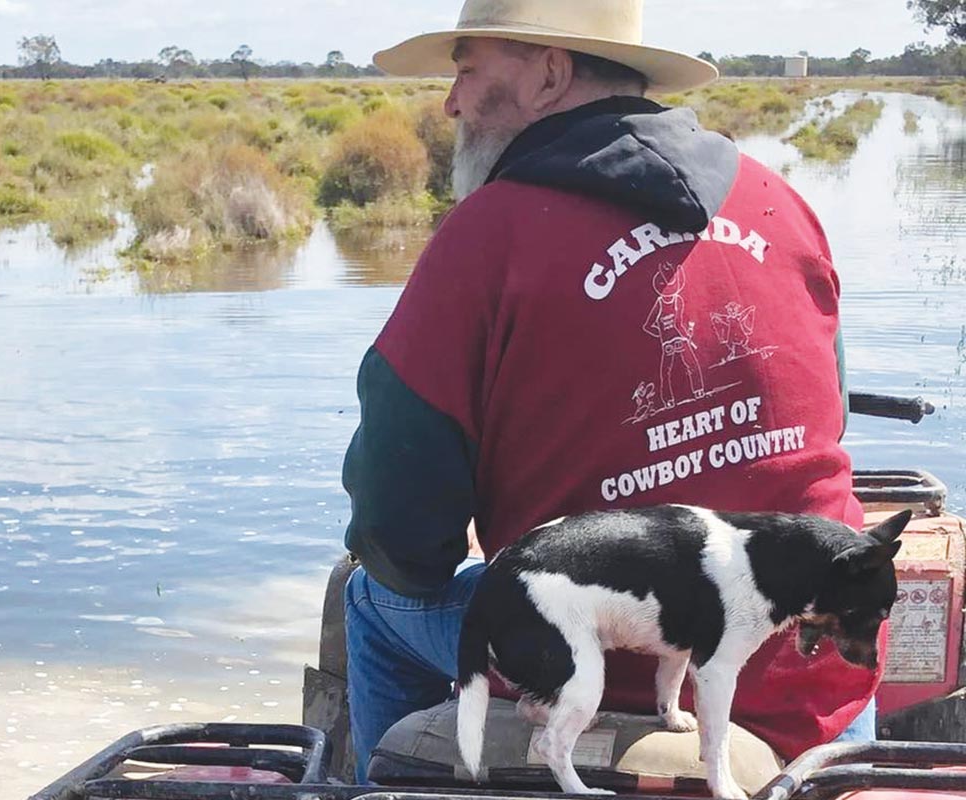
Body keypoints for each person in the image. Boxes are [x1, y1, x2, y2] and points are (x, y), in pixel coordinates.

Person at [340, 0, 880, 784]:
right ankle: (836, 770)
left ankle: (402, 782)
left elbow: (401, 542)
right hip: (809, 656)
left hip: (621, 654)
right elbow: (830, 413)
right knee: (838, 661)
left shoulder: (485, 237)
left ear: (550, 73)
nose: (451, 102)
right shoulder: (782, 204)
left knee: (369, 604)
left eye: (467, 69)